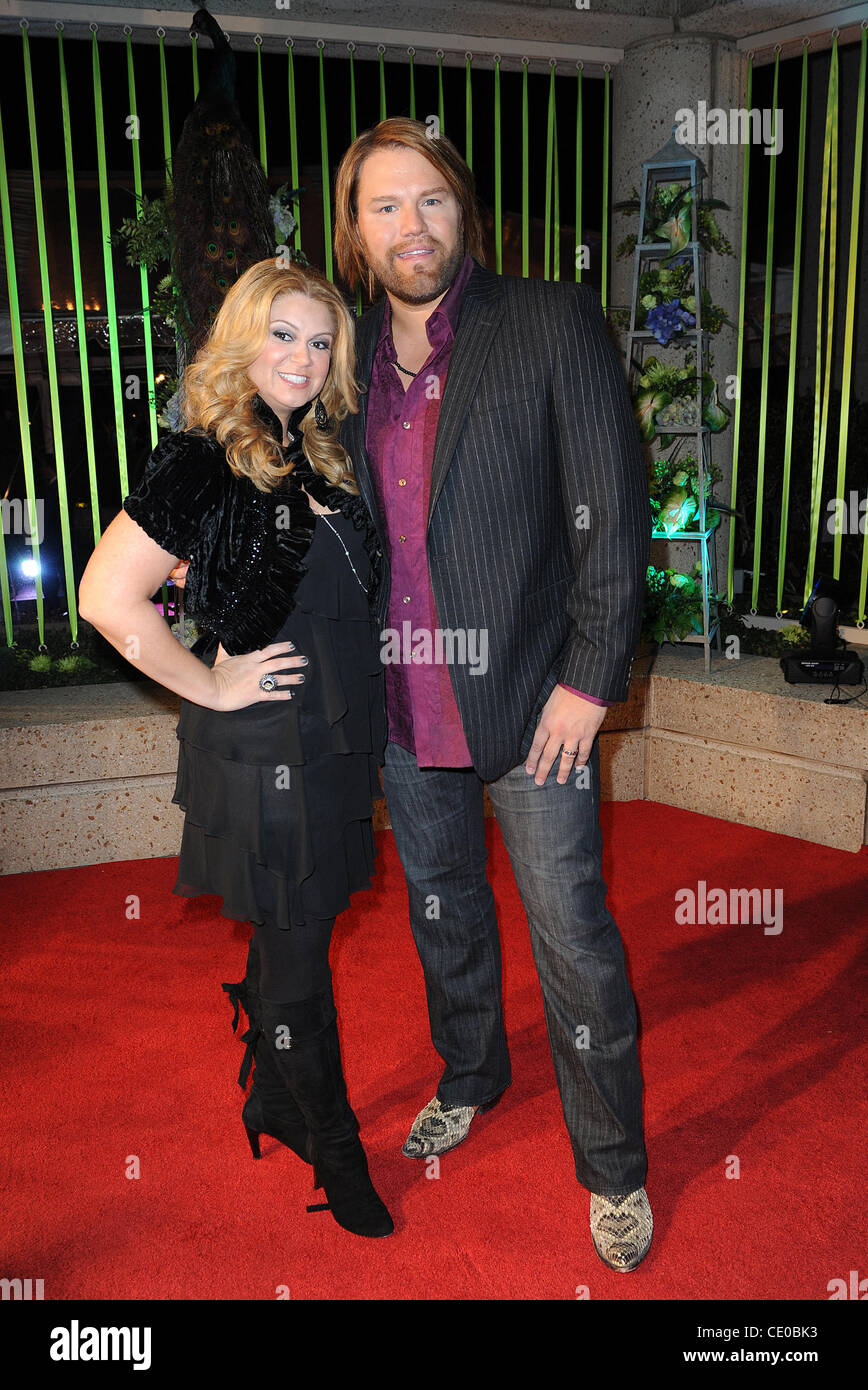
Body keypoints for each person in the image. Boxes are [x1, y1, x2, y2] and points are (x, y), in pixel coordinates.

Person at [332, 118, 653, 1271]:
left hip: (531, 705)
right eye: (383, 206)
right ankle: (471, 1072)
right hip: (403, 712)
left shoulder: (548, 322)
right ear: (356, 230)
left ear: (462, 212)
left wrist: (587, 681)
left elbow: (614, 517)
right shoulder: (343, 357)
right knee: (441, 913)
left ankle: (613, 1166)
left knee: (574, 940)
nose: (408, 225)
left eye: (428, 201)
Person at [78, 259, 393, 1239]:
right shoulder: (204, 458)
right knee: (300, 947)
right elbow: (105, 596)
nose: (302, 356)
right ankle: (334, 1141)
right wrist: (211, 680)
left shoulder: (321, 452)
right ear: (242, 339)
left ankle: (270, 1094)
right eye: (282, 334)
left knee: (294, 923)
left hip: (331, 733)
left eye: (319, 339)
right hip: (265, 739)